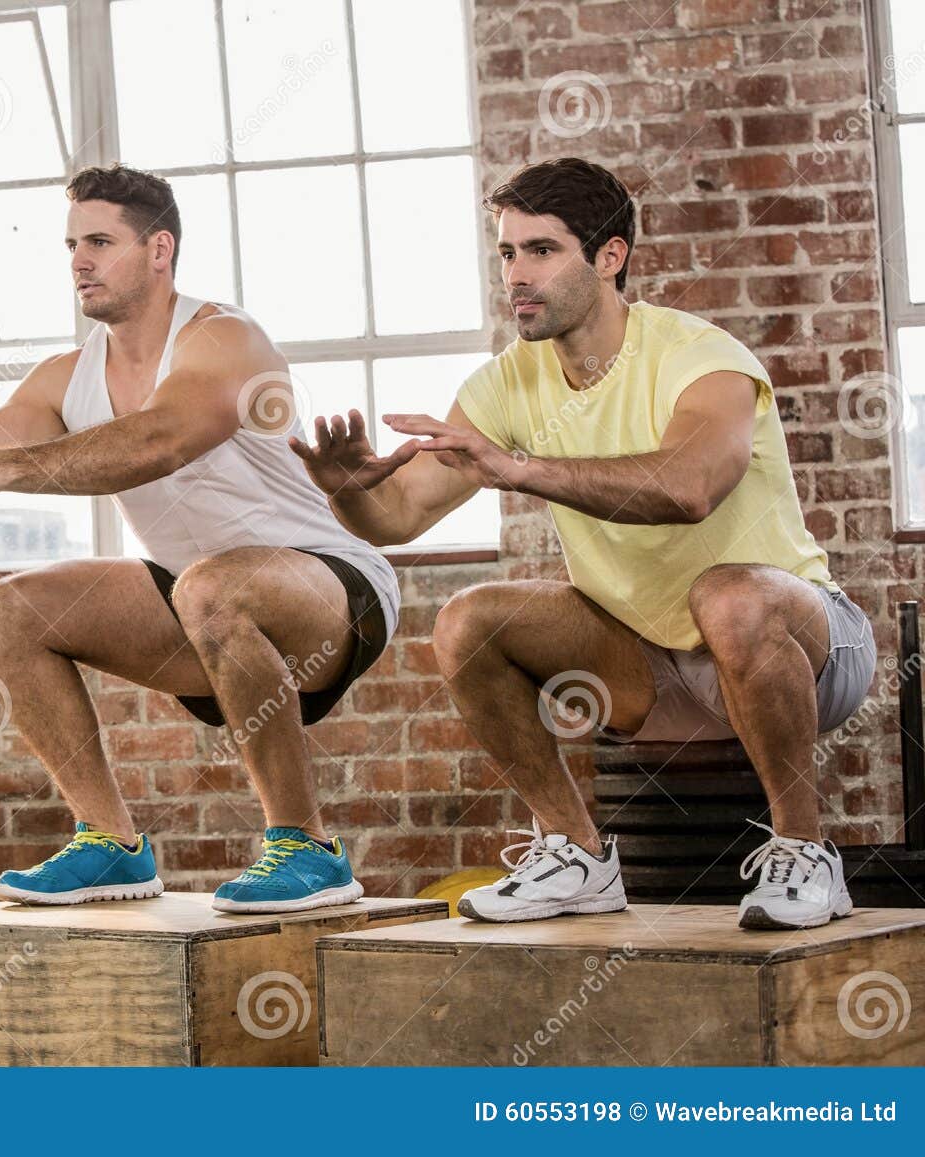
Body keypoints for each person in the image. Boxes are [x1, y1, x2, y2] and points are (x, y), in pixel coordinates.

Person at [0, 164, 400, 913]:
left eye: (100, 241)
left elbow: (159, 440)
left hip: (332, 587)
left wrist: (0, 465)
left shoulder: (224, 338)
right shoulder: (65, 378)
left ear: (159, 250)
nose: (79, 260)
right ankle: (111, 846)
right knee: (9, 610)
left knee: (211, 585)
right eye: (71, 243)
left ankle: (306, 847)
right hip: (197, 596)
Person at [292, 158, 876, 930]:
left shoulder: (700, 356)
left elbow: (688, 486)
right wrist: (348, 490)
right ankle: (575, 857)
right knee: (468, 622)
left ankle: (806, 852)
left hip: (807, 649)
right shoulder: (508, 381)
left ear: (609, 257)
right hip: (652, 670)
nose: (517, 275)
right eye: (507, 253)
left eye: (542, 250)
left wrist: (522, 469)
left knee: (728, 595)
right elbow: (399, 519)